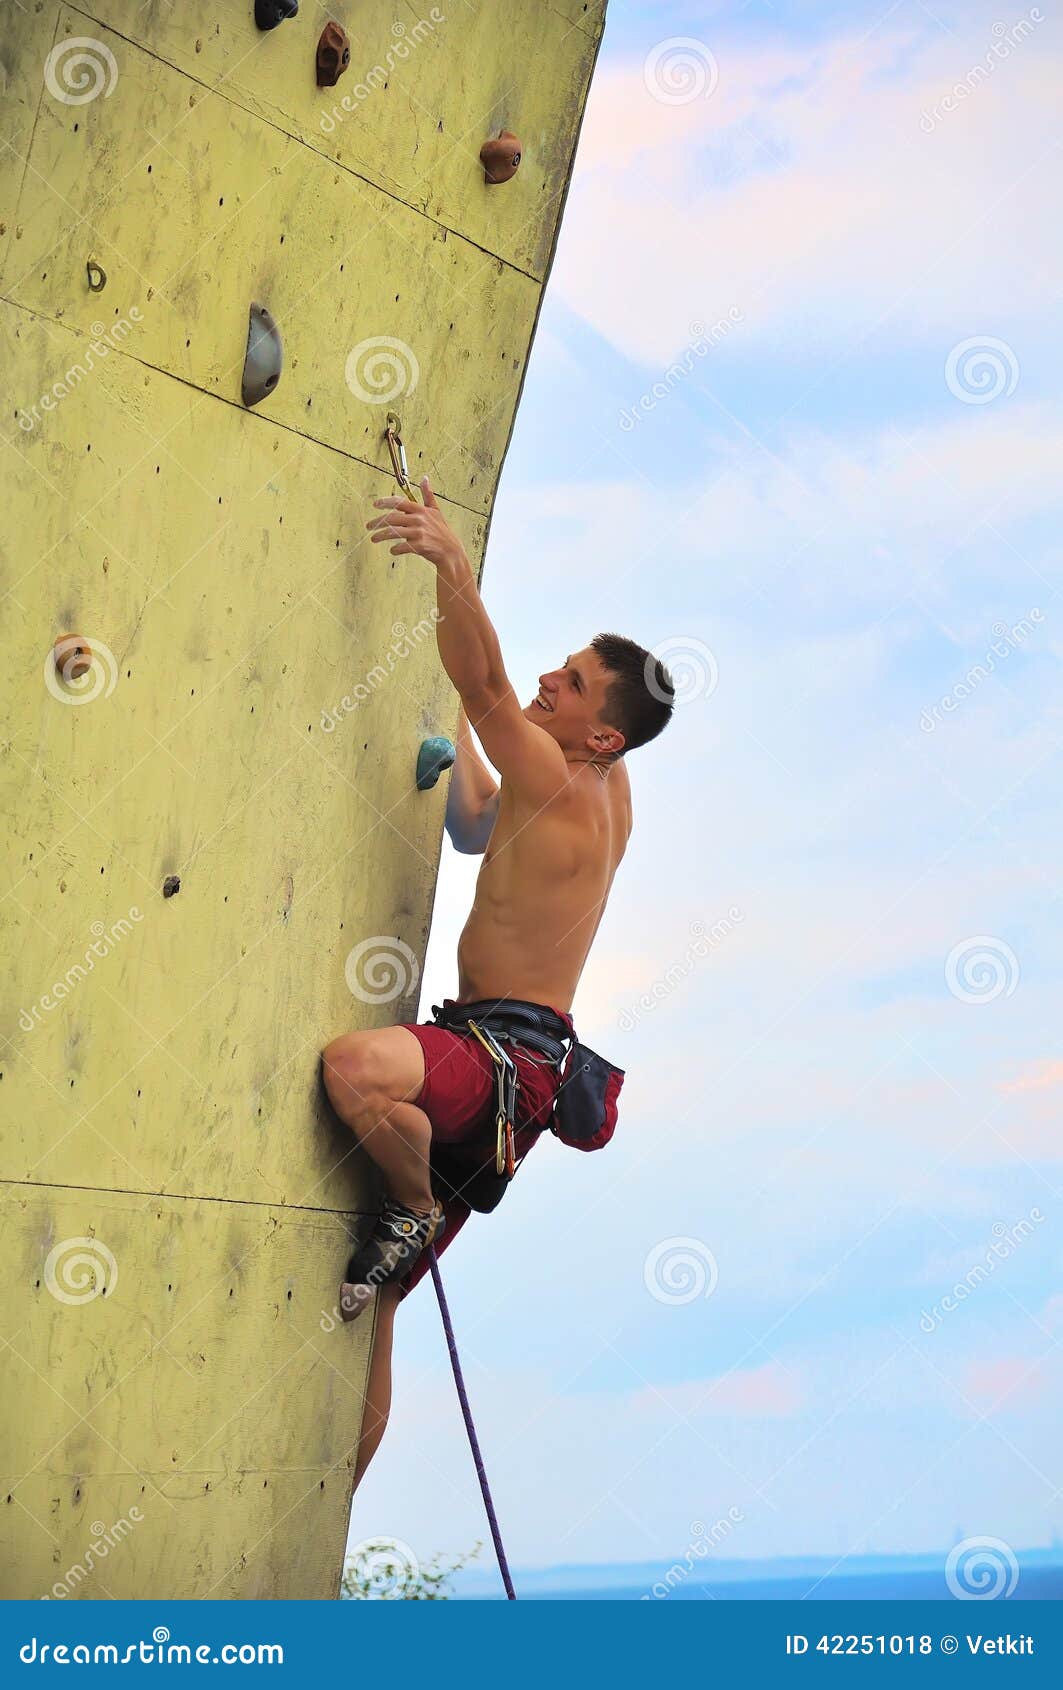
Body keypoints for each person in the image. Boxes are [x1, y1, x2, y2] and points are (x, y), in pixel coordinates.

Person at [321, 475, 674, 1488]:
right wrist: (456, 767)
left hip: (496, 1061)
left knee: (355, 1070)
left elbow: (481, 686)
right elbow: (486, 821)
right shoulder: (600, 787)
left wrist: (451, 566)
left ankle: (410, 1197)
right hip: (520, 1084)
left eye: (570, 685)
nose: (547, 685)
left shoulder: (564, 776)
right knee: (379, 1313)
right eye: (558, 669)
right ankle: (328, 1509)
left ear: (600, 736)